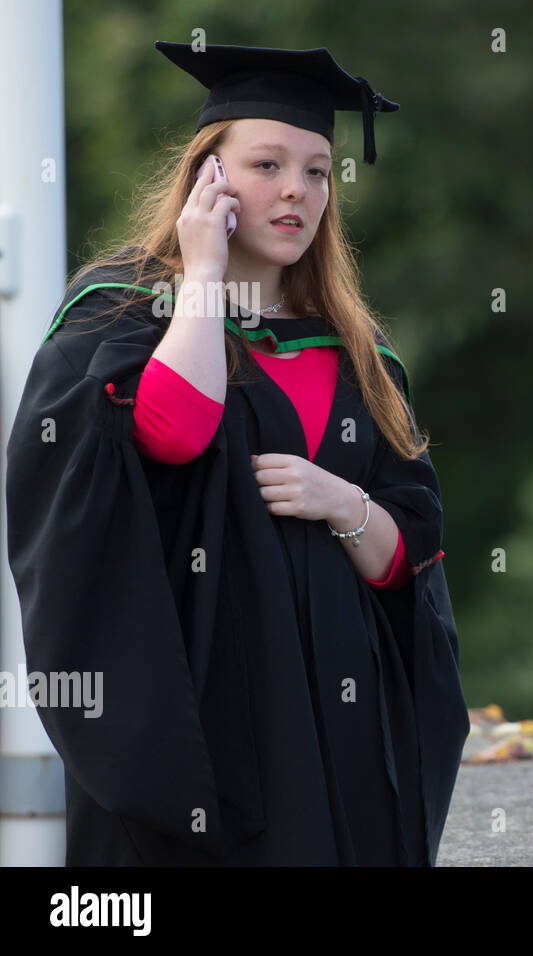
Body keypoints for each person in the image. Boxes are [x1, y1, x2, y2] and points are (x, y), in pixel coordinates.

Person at [4, 42, 470, 865]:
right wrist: (205, 274)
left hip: (341, 728)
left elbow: (411, 553)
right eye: (267, 164)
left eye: (319, 171)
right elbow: (174, 431)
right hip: (200, 722)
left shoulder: (359, 356)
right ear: (206, 181)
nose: (298, 189)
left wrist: (343, 503)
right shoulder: (116, 322)